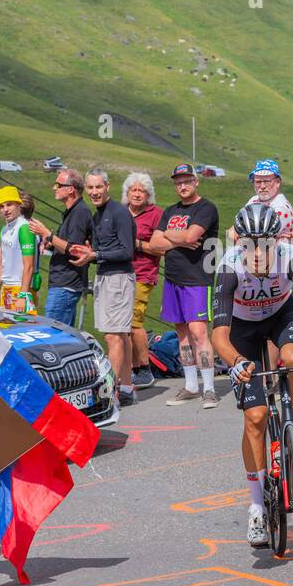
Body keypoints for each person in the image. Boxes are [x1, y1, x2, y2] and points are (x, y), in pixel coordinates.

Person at [210, 205, 293, 546]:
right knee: (256, 416)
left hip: (281, 316)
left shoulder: (291, 258)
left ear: (276, 241)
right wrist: (235, 362)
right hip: (243, 330)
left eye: (265, 243)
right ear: (240, 242)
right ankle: (255, 508)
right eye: (251, 244)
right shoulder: (228, 266)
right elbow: (218, 334)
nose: (258, 251)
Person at [147, 164, 220, 409]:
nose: (182, 186)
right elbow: (155, 244)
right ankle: (190, 385)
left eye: (187, 181)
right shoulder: (170, 211)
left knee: (199, 333)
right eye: (178, 182)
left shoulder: (206, 208)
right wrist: (175, 235)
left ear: (196, 182)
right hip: (173, 279)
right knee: (182, 334)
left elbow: (192, 237)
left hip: (197, 279)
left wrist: (170, 236)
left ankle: (209, 388)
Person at [71, 170, 136, 405]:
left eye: (98, 187)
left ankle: (111, 392)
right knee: (120, 334)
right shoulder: (97, 216)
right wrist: (89, 253)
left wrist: (95, 254)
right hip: (105, 276)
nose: (94, 192)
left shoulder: (119, 213)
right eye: (90, 188)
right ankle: (126, 387)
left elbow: (127, 251)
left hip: (118, 278)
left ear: (107, 186)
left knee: (112, 336)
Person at [27, 172, 92, 326]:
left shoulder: (80, 212)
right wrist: (50, 241)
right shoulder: (72, 212)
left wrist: (46, 233)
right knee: (60, 335)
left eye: (58, 185)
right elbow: (67, 243)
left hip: (66, 284)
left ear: (71, 189)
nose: (54, 188)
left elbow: (74, 250)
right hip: (63, 283)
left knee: (52, 334)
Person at [124, 173, 163, 389]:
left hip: (142, 273)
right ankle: (129, 368)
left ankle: (144, 369)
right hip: (118, 273)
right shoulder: (120, 212)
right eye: (133, 190)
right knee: (120, 325)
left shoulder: (156, 214)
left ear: (148, 195)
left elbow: (159, 248)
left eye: (142, 191)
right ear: (127, 193)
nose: (137, 194)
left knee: (134, 322)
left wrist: (136, 243)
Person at [0, 186, 36, 313]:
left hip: (20, 288)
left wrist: (23, 295)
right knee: (4, 329)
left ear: (18, 204)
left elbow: (29, 266)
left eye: (9, 205)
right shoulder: (4, 230)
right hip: (6, 289)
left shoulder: (25, 228)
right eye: (1, 206)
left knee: (23, 329)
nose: (5, 209)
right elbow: (1, 264)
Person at [240, 160, 293, 240]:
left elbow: (261, 239)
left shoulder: (281, 207)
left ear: (277, 182)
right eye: (258, 182)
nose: (262, 186)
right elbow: (238, 224)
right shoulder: (253, 200)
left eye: (267, 181)